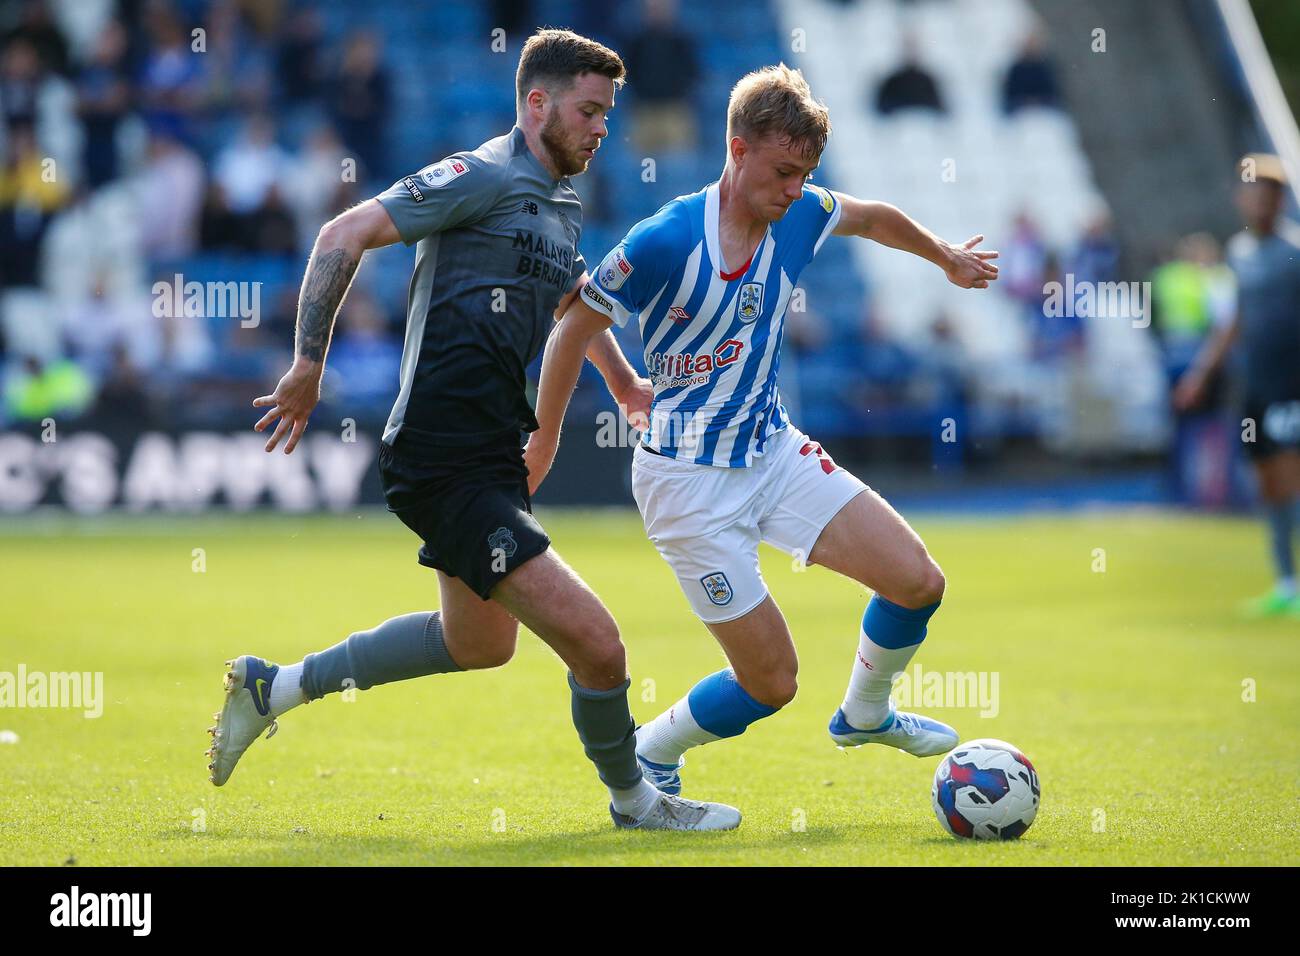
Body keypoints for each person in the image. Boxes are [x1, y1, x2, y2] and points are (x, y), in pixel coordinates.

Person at [207, 28, 740, 832]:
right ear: (537, 102)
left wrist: (626, 382)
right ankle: (636, 802)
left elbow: (570, 301)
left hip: (490, 457)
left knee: (480, 644)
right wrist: (308, 363)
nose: (603, 128)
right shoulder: (481, 174)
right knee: (598, 644)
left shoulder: (561, 202)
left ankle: (271, 687)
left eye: (608, 114)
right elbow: (341, 234)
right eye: (590, 111)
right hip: (440, 456)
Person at [526, 64, 999, 801]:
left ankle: (865, 715)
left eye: (805, 173)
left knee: (918, 583)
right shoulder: (666, 239)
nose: (794, 189)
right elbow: (573, 323)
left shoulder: (803, 211)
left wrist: (946, 257)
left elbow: (870, 216)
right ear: (739, 151)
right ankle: (650, 749)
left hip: (772, 453)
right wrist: (559, 429)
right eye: (783, 171)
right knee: (773, 682)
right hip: (686, 488)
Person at [1174, 154, 1300, 618]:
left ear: (1280, 199)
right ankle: (1286, 583)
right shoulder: (1241, 253)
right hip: (1256, 386)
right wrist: (1200, 373)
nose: (1258, 201)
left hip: (1293, 385)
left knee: (1291, 476)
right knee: (1268, 482)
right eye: (1251, 192)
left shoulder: (1295, 252)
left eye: (1268, 193)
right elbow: (1235, 323)